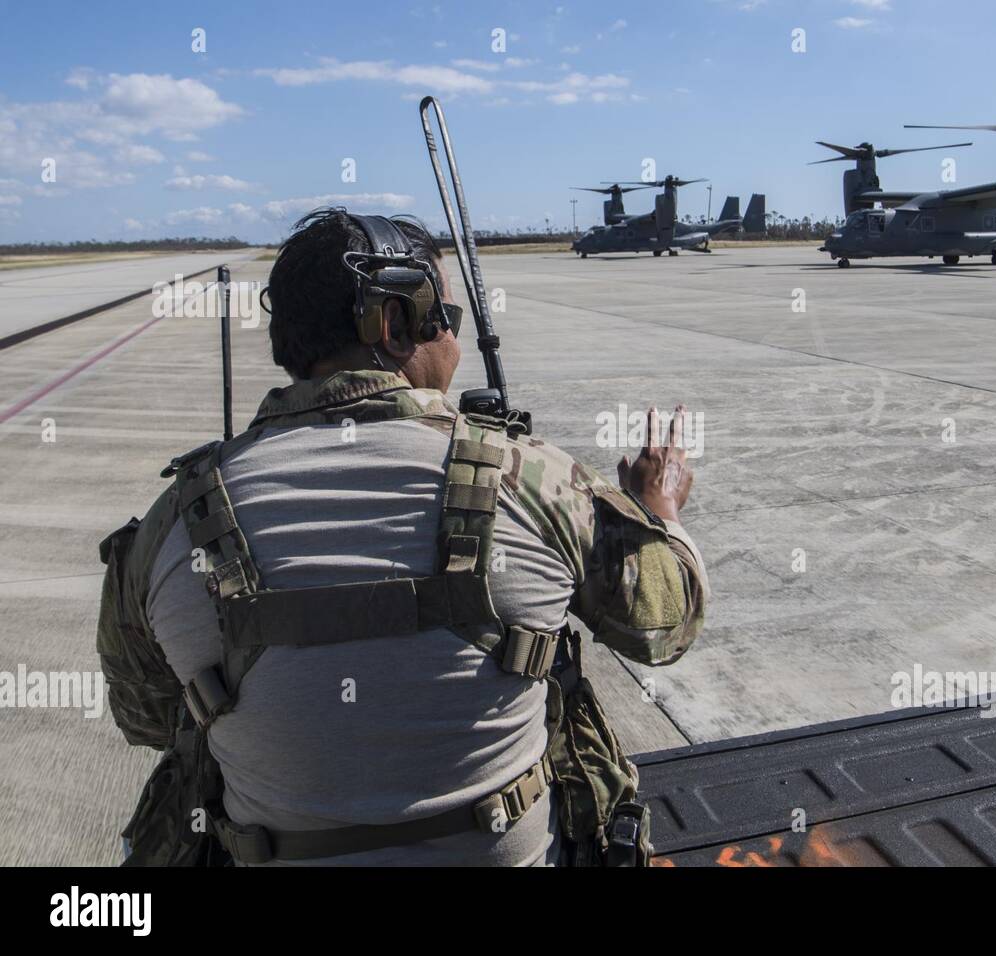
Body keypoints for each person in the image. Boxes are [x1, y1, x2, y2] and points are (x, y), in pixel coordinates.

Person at [96, 208, 709, 866]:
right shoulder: (536, 479)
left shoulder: (170, 525)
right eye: (449, 319)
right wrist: (660, 509)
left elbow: (148, 716)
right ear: (394, 323)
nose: (456, 344)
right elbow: (666, 625)